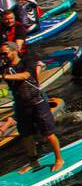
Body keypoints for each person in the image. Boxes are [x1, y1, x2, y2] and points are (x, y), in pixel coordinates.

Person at [1, 39, 61, 172]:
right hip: (21, 105)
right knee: (26, 136)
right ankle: (33, 162)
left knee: (48, 133)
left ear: (15, 51)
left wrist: (5, 77)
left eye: (5, 53)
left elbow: (25, 75)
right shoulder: (4, 68)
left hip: (37, 102)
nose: (3, 57)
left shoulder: (27, 62)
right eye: (1, 54)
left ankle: (59, 159)